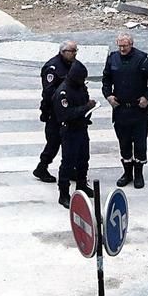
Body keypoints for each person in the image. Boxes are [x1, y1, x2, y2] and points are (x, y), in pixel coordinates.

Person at [101, 32, 148, 189]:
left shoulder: (143, 59)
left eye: (125, 46)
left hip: (139, 111)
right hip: (120, 110)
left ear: (131, 44)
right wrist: (108, 96)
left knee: (140, 144)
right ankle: (127, 173)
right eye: (120, 46)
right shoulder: (112, 58)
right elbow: (106, 79)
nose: (122, 49)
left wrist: (147, 97)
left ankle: (139, 174)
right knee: (124, 144)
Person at [34, 40, 78, 183]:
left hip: (68, 111)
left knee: (70, 142)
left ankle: (70, 169)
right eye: (72, 51)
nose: (74, 54)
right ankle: (42, 167)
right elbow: (49, 92)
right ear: (63, 52)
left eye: (76, 51)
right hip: (55, 112)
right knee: (54, 142)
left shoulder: (72, 64)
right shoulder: (52, 68)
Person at [54, 61, 96, 208]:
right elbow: (65, 114)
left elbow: (84, 100)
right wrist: (85, 108)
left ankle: (81, 185)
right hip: (70, 131)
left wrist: (88, 108)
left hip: (82, 128)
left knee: (83, 159)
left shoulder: (80, 87)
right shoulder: (63, 92)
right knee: (68, 163)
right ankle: (64, 194)